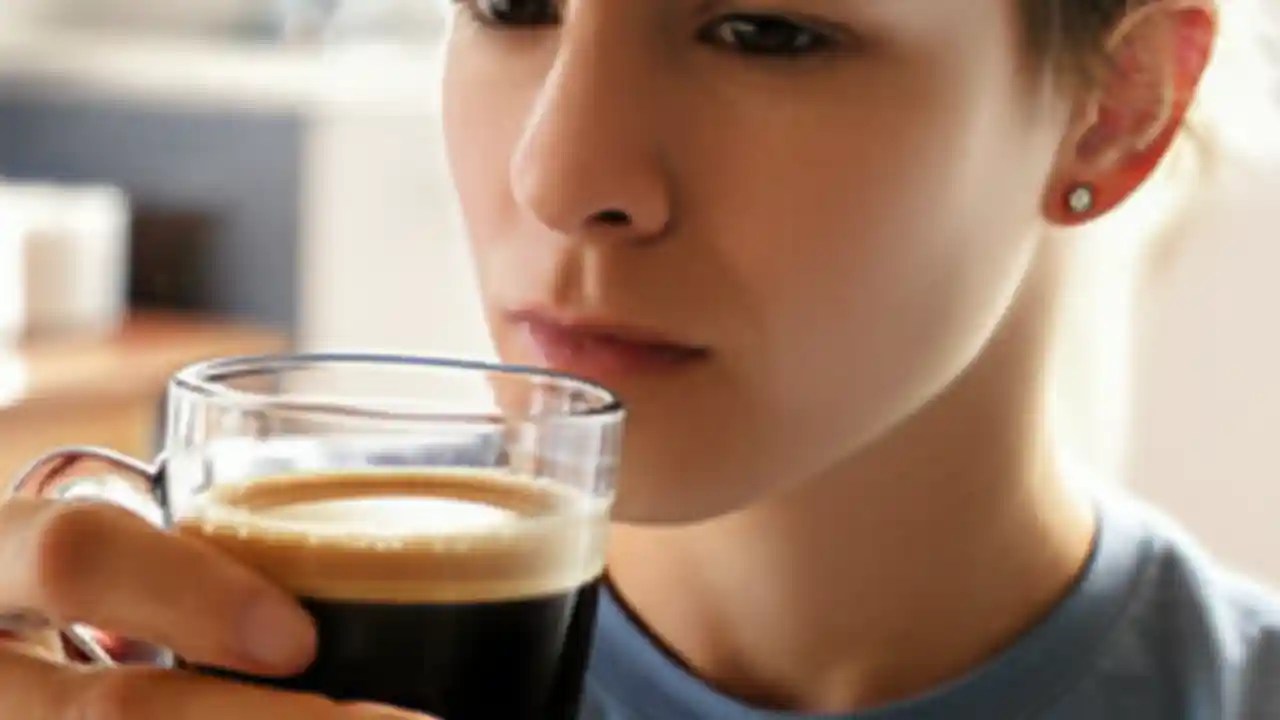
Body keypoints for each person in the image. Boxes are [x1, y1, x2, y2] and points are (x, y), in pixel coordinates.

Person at [0, 0, 1276, 718]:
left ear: (1117, 113)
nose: (559, 176)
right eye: (509, 3)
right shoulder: (167, 625)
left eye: (763, 32)